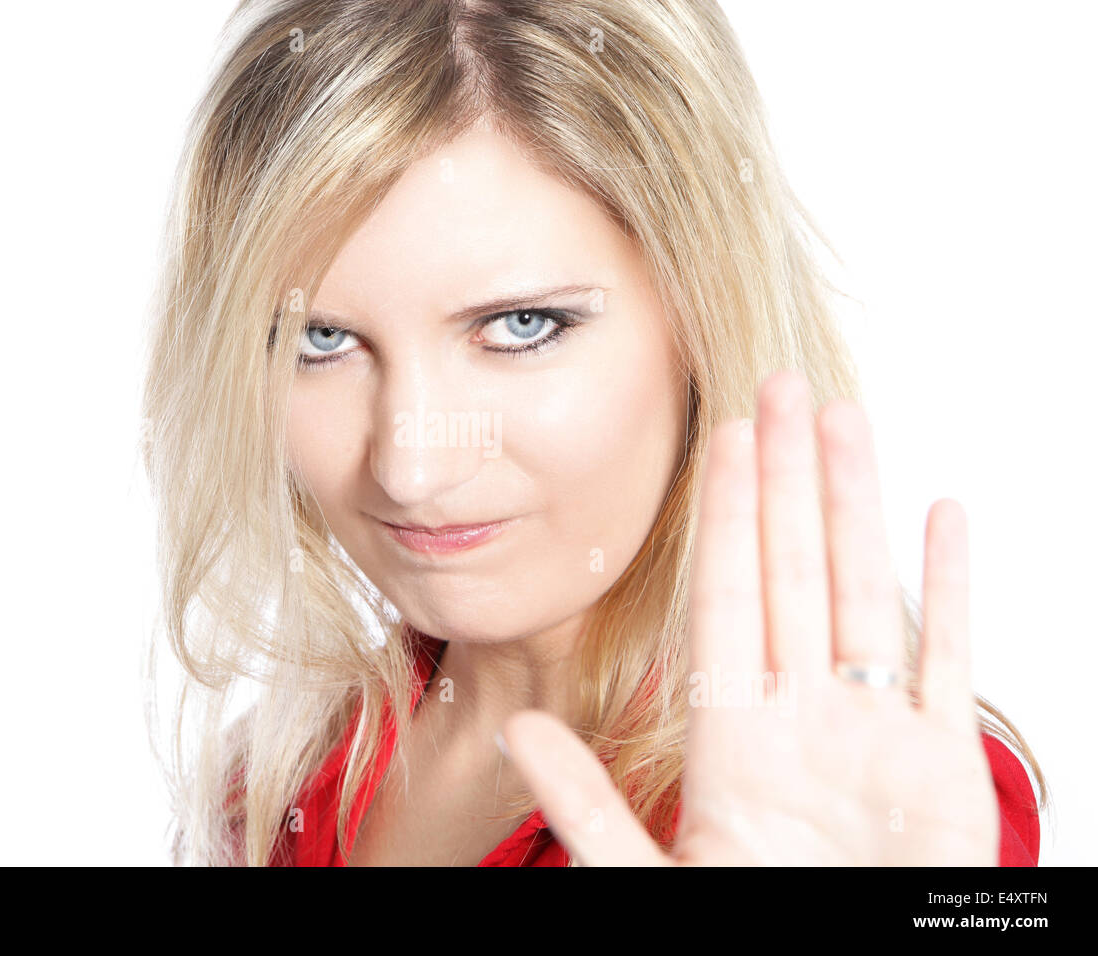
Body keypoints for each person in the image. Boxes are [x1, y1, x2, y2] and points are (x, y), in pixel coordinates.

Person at [141, 0, 1046, 866]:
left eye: (523, 326)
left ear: (701, 309)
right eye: (320, 340)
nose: (410, 465)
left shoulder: (864, 800)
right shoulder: (272, 787)